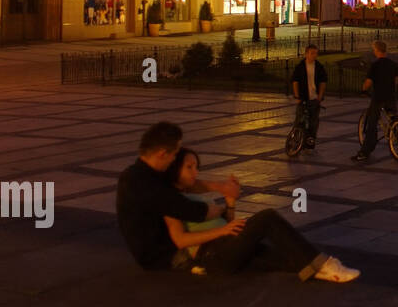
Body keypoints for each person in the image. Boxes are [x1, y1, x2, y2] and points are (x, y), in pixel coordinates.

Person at [116, 121, 358, 282]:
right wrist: (219, 211)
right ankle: (323, 264)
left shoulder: (145, 176)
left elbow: (188, 190)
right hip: (167, 258)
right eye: (177, 157)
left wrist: (223, 195)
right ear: (162, 154)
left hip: (203, 252)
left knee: (271, 255)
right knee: (266, 218)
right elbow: (191, 211)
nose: (177, 162)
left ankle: (317, 269)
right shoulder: (146, 185)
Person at [164, 144, 358, 282]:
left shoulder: (195, 191)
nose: (194, 172)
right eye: (188, 167)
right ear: (174, 169)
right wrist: (222, 232)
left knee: (290, 258)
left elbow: (225, 223)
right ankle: (325, 265)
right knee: (267, 217)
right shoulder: (170, 199)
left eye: (196, 167)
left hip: (228, 246)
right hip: (213, 253)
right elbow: (179, 239)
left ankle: (321, 270)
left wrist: (230, 203)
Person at [354, 40, 398, 163]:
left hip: (378, 97)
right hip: (391, 97)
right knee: (394, 118)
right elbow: (396, 81)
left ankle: (365, 151)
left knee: (372, 124)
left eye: (374, 49)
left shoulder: (375, 65)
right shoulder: (393, 64)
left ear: (377, 51)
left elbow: (368, 82)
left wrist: (363, 90)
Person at [290, 44, 327, 151]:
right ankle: (295, 142)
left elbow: (323, 82)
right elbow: (295, 81)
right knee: (298, 121)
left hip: (314, 98)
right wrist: (297, 96)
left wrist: (320, 96)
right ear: (306, 54)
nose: (314, 55)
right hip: (302, 98)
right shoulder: (300, 66)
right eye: (312, 53)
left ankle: (309, 143)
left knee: (313, 122)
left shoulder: (319, 67)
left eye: (316, 53)